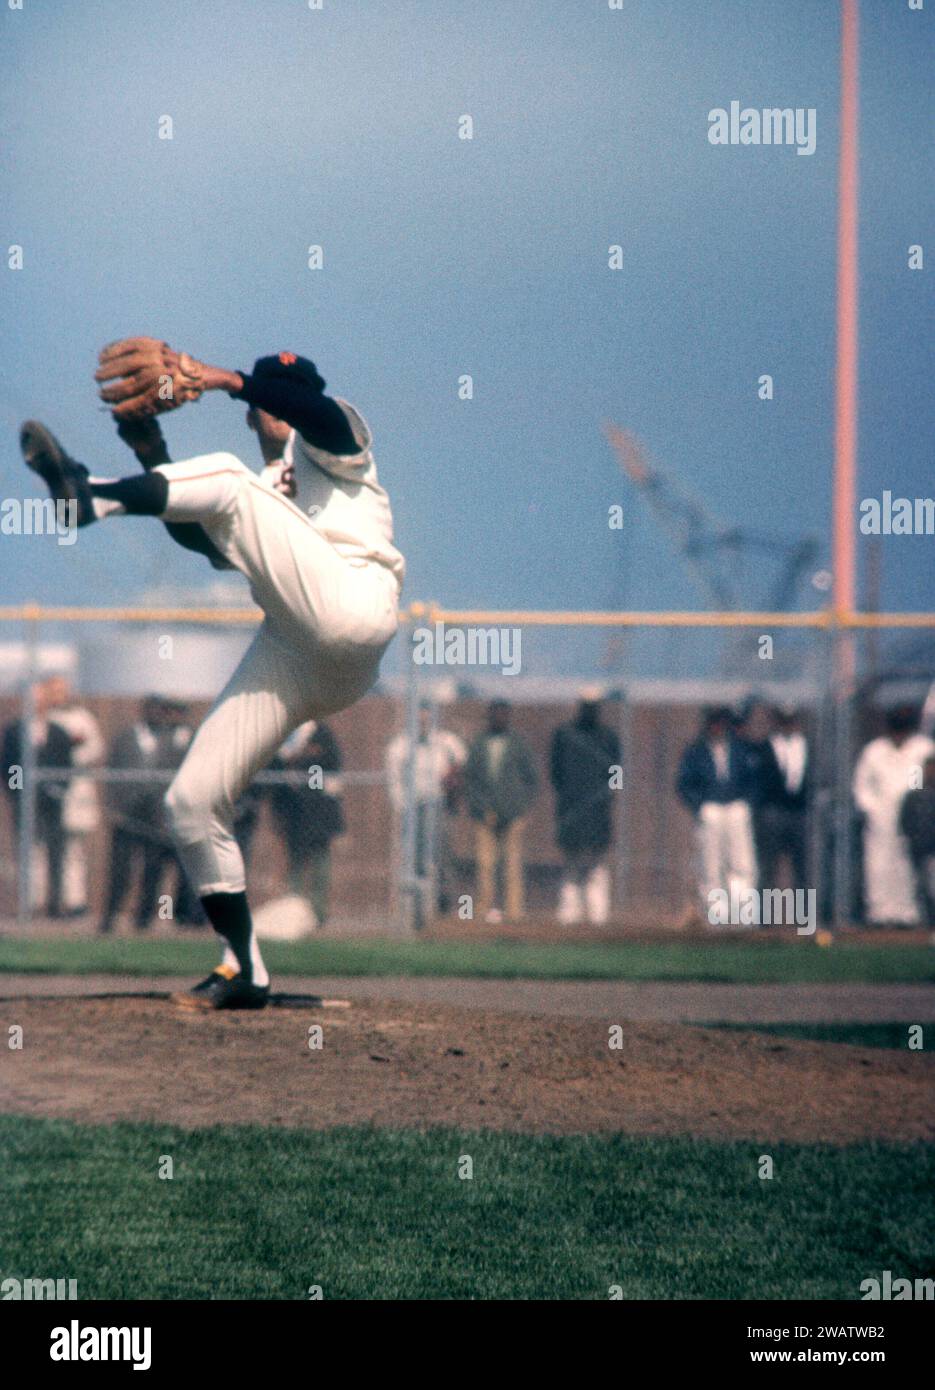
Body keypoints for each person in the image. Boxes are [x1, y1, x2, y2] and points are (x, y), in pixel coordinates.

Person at [19, 341, 403, 1007]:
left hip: (354, 609)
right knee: (190, 803)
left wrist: (226, 379)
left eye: (278, 400)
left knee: (226, 478)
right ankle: (244, 966)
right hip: (294, 646)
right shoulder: (264, 494)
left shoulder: (338, 440)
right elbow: (203, 534)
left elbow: (303, 413)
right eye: (262, 406)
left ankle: (86, 499)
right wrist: (151, 452)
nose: (271, 415)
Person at [853, 706, 935, 926]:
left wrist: (915, 808)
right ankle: (879, 914)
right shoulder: (874, 751)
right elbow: (862, 787)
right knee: (878, 866)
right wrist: (873, 809)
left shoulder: (922, 748)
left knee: (906, 866)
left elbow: (920, 783)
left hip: (912, 817)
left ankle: (906, 914)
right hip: (881, 818)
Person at [675, 706, 758, 921]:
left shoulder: (741, 750)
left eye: (721, 722)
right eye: (714, 722)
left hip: (736, 810)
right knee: (710, 866)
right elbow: (684, 784)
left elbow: (754, 781)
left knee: (741, 864)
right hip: (710, 811)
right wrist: (700, 806)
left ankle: (744, 916)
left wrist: (746, 803)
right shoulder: (696, 751)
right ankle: (717, 917)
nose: (718, 727)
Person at [385, 702, 467, 916]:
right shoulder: (400, 745)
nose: (422, 724)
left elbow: (461, 765)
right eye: (418, 719)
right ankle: (416, 911)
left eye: (426, 719)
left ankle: (445, 906)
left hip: (439, 804)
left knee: (443, 857)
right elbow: (394, 781)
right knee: (415, 858)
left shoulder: (445, 742)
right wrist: (403, 809)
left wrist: (453, 780)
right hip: (413, 807)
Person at [549, 688, 620, 925]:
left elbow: (617, 774)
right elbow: (555, 772)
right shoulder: (564, 735)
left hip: (598, 811)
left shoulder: (609, 737)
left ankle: (598, 915)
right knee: (571, 863)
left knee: (597, 865)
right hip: (571, 809)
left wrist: (607, 796)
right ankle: (569, 914)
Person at [1, 682, 73, 917]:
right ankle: (28, 906)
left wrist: (58, 789)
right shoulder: (14, 731)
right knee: (26, 852)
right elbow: (8, 766)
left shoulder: (59, 732)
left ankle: (54, 905)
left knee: (55, 853)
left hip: (52, 802)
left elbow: (66, 766)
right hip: (25, 801)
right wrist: (16, 792)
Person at [464, 700, 538, 922]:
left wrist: (522, 808)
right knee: (485, 865)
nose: (500, 718)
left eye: (504, 714)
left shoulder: (518, 743)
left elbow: (531, 779)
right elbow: (471, 780)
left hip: (513, 815)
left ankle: (514, 913)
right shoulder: (478, 743)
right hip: (484, 816)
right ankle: (482, 911)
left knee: (512, 866)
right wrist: (480, 807)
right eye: (495, 714)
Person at [269, 720, 344, 928]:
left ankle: (317, 914)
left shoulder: (320, 732)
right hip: (294, 814)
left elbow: (323, 768)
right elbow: (277, 767)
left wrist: (303, 760)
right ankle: (294, 913)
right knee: (295, 866)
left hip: (319, 816)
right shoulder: (283, 734)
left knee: (320, 865)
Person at [42, 675, 105, 917]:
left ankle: (75, 901)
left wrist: (70, 755)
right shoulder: (44, 718)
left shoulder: (81, 718)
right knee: (43, 849)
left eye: (62, 690)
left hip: (76, 790)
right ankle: (44, 901)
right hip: (49, 792)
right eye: (53, 690)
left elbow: (94, 747)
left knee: (73, 850)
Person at [756, 705, 811, 892]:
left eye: (791, 720)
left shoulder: (806, 745)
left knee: (804, 868)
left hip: (800, 813)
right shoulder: (766, 746)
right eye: (784, 720)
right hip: (773, 812)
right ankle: (766, 917)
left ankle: (805, 916)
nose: (788, 725)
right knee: (768, 867)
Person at [899, 754, 935, 927]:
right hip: (920, 848)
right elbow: (906, 819)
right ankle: (926, 921)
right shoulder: (915, 795)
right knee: (922, 887)